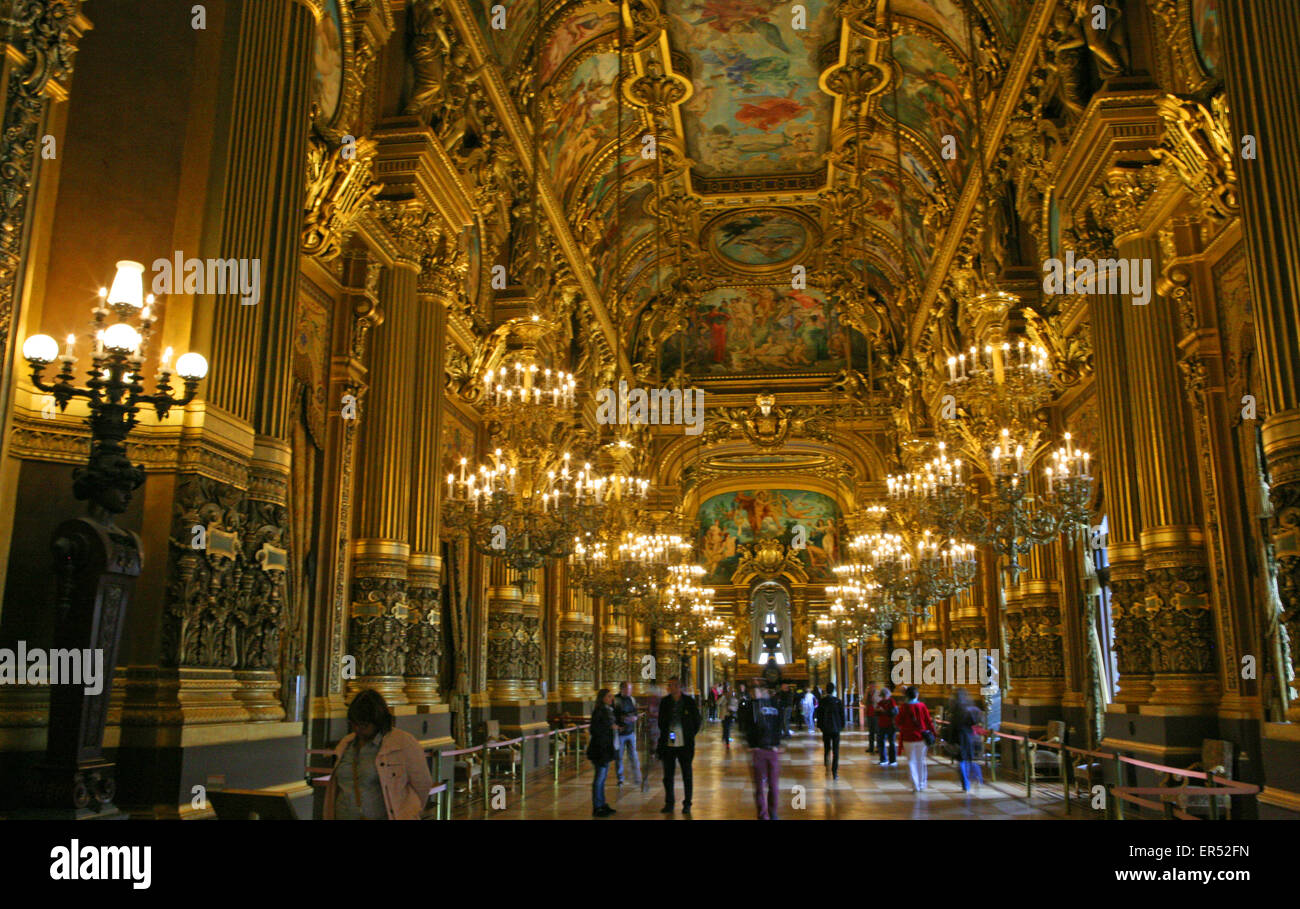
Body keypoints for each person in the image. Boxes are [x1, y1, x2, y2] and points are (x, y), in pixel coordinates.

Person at [324, 689, 433, 820]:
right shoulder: (346, 744)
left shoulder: (403, 743)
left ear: (378, 721)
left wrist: (406, 813)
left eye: (363, 725)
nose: (357, 729)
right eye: (354, 724)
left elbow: (422, 784)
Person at [740, 677, 785, 820]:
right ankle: (762, 815)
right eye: (752, 690)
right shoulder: (749, 706)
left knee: (773, 784)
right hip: (758, 750)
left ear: (764, 690)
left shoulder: (774, 704)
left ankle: (773, 813)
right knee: (759, 785)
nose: (753, 693)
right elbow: (746, 726)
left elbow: (779, 724)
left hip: (772, 749)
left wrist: (778, 743)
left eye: (756, 689)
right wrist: (751, 745)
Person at [656, 677, 701, 814]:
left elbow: (697, 721)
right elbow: (661, 721)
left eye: (672, 686)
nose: (669, 688)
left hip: (685, 744)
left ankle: (687, 803)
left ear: (678, 687)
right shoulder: (665, 702)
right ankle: (669, 803)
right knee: (668, 776)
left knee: (687, 774)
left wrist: (689, 734)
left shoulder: (689, 702)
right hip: (668, 744)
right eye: (668, 685)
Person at [897, 685, 936, 792]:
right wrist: (933, 733)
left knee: (911, 761)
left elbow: (898, 721)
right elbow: (928, 721)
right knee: (921, 761)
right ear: (917, 695)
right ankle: (922, 784)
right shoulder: (922, 706)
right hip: (921, 737)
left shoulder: (904, 707)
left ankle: (915, 785)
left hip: (908, 738)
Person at [947, 688, 985, 791]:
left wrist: (950, 740)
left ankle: (966, 784)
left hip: (958, 738)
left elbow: (952, 726)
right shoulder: (969, 709)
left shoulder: (954, 710)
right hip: (968, 737)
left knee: (961, 761)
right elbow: (974, 722)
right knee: (969, 759)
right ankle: (978, 778)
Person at [588, 688, 618, 815]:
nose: (612, 698)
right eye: (609, 696)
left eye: (612, 696)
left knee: (602, 777)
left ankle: (602, 803)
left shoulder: (608, 710)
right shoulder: (600, 711)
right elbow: (595, 729)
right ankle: (597, 806)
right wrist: (610, 727)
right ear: (603, 698)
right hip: (600, 750)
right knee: (599, 778)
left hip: (605, 748)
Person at [612, 681, 642, 787]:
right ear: (622, 689)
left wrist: (635, 717)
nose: (630, 691)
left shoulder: (632, 699)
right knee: (619, 757)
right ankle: (620, 778)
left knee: (634, 755)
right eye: (628, 689)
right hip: (620, 733)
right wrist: (622, 719)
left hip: (630, 732)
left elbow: (635, 712)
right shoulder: (615, 700)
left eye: (631, 689)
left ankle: (637, 777)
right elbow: (613, 715)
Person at [815, 681, 845, 779]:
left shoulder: (822, 701)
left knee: (827, 748)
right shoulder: (838, 701)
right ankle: (835, 772)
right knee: (836, 751)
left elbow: (819, 715)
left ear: (826, 690)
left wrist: (820, 726)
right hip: (836, 729)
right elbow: (842, 716)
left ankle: (826, 763)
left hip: (826, 729)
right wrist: (841, 726)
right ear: (834, 690)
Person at [875, 685, 898, 766]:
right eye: (882, 696)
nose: (884, 697)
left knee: (892, 742)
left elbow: (894, 713)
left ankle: (893, 760)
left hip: (890, 725)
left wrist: (883, 711)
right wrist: (877, 711)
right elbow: (876, 713)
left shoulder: (892, 702)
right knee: (881, 742)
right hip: (881, 725)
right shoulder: (880, 703)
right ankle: (883, 759)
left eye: (885, 696)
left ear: (888, 695)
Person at [865, 682, 879, 753]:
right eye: (870, 686)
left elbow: (879, 701)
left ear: (875, 686)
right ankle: (871, 747)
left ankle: (878, 747)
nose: (871, 688)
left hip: (876, 714)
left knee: (877, 731)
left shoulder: (878, 693)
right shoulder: (867, 693)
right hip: (869, 714)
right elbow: (865, 702)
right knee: (871, 732)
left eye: (872, 686)